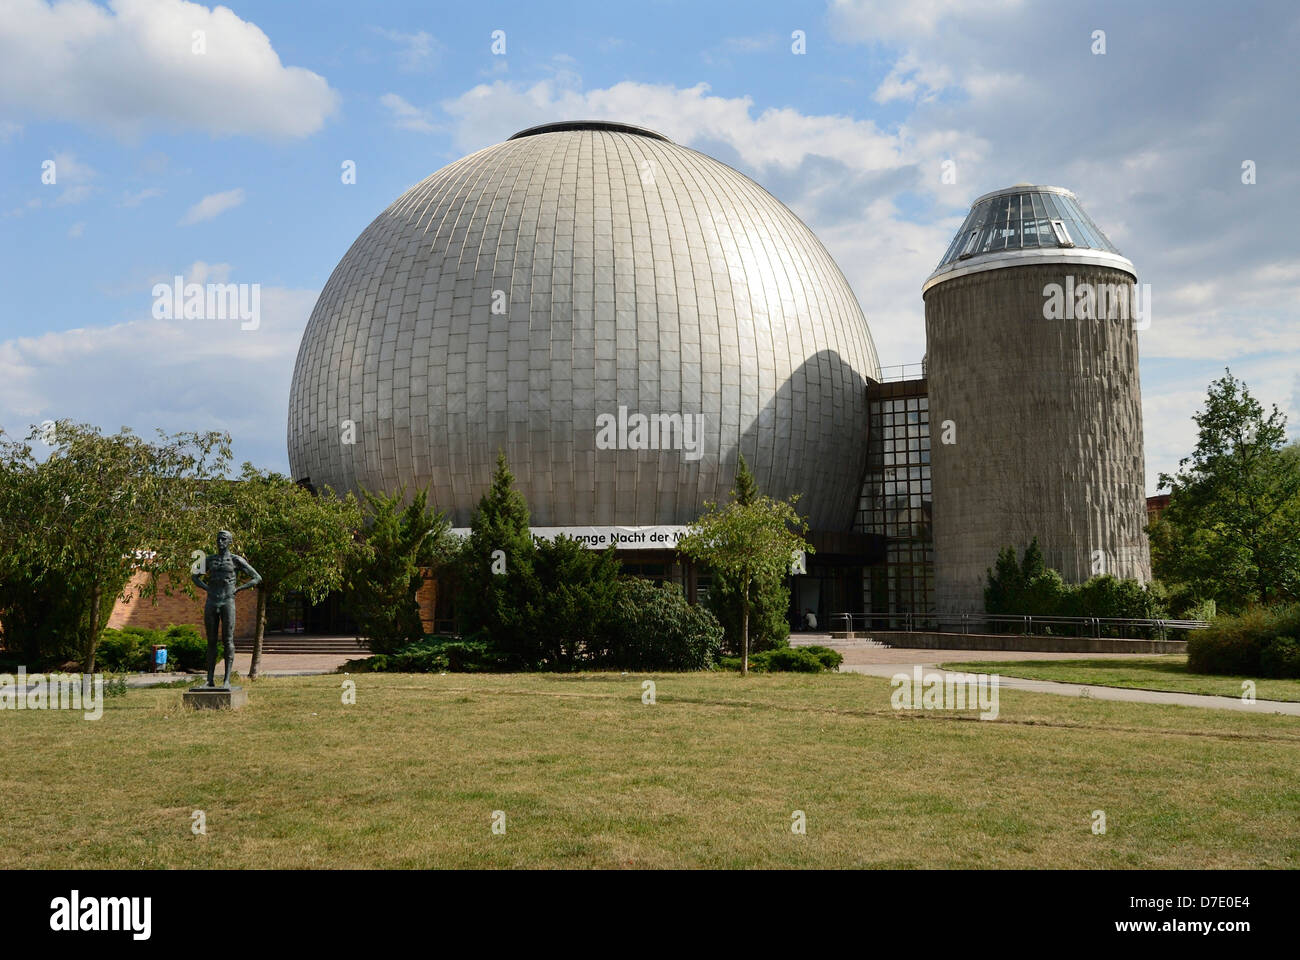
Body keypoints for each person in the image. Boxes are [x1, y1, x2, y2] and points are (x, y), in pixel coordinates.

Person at [191, 530, 262, 688]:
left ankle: (226, 680)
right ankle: (209, 680)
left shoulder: (236, 560)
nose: (220, 542)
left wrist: (239, 588)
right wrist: (206, 588)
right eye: (218, 539)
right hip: (212, 601)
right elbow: (194, 576)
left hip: (228, 601)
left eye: (223, 539)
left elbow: (257, 577)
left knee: (228, 640)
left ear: (230, 541)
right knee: (211, 641)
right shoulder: (210, 560)